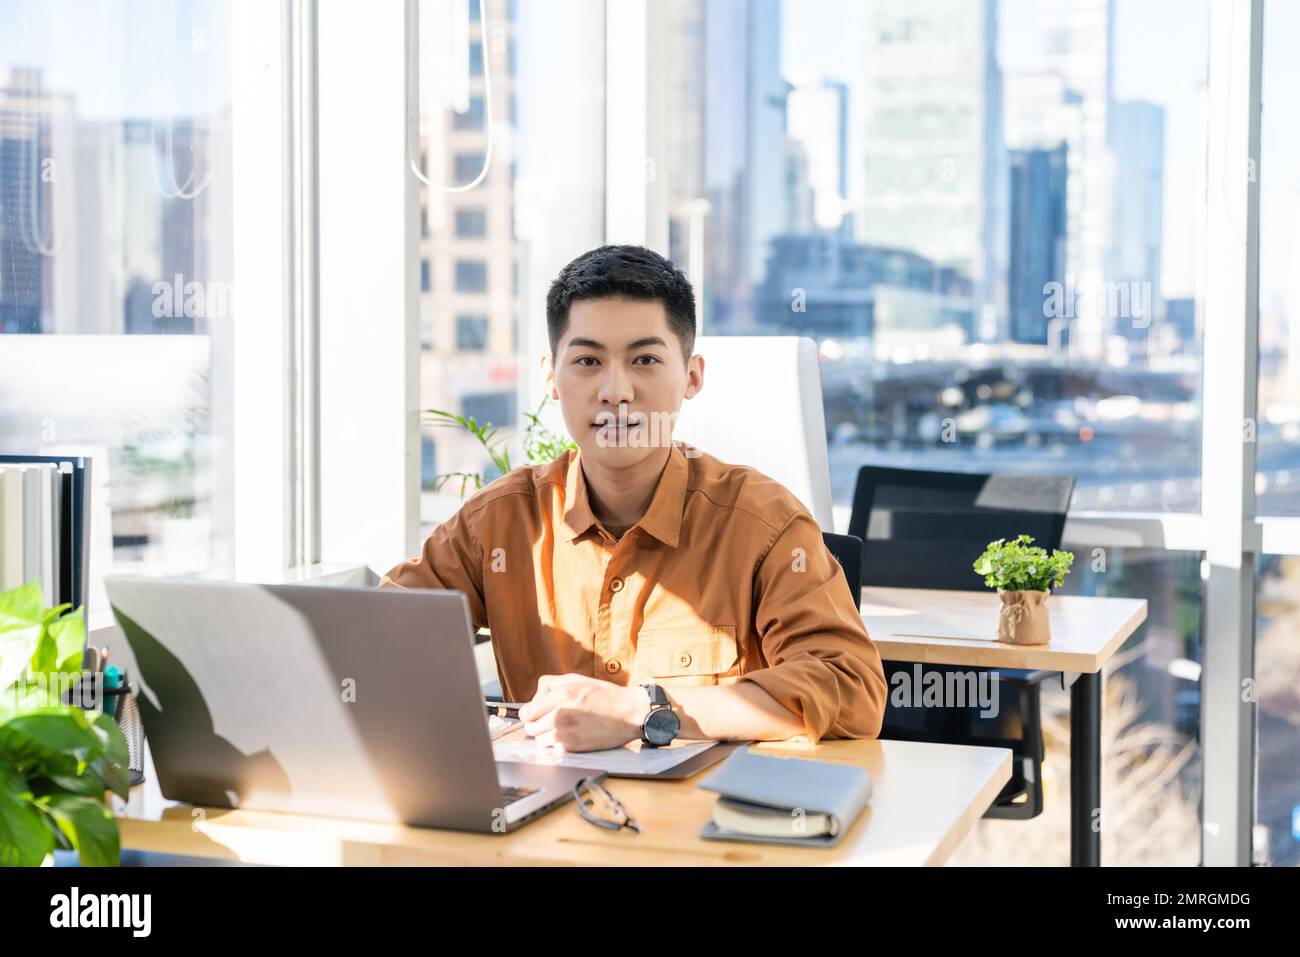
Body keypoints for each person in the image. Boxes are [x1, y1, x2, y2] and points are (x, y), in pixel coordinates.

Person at [381, 245, 887, 752]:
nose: (615, 390)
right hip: (544, 816)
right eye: (586, 360)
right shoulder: (497, 524)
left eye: (644, 359)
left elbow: (852, 689)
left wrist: (643, 710)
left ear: (692, 377)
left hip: (705, 819)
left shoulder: (764, 523)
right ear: (550, 378)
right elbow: (371, 639)